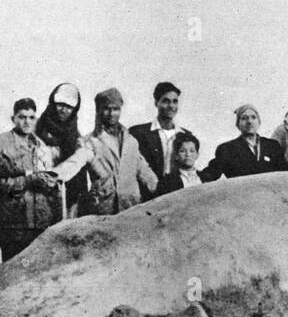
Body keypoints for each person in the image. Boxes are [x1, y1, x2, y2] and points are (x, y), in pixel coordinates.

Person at [0, 98, 61, 260]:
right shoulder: (0, 144)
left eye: (31, 117)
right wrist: (27, 181)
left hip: (41, 224)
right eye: (22, 117)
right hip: (14, 225)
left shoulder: (41, 145)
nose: (26, 122)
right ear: (13, 118)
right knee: (14, 272)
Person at [79, 87, 158, 215]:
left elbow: (143, 170)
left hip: (131, 206)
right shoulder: (88, 141)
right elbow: (76, 168)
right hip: (104, 208)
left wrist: (160, 188)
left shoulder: (131, 140)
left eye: (115, 109)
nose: (111, 113)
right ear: (99, 110)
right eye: (106, 108)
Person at [128, 82, 191, 197]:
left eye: (175, 101)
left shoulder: (186, 135)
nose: (171, 106)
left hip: (178, 195)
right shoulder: (138, 133)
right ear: (156, 103)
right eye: (166, 101)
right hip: (147, 197)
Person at [201, 104, 288, 180]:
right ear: (238, 124)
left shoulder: (272, 146)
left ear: (259, 122)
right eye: (244, 118)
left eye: (253, 117)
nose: (249, 121)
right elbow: (210, 174)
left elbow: (287, 174)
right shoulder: (227, 149)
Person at [34, 82, 86, 216]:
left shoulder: (76, 138)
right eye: (60, 104)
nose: (63, 110)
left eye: (69, 107)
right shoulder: (36, 129)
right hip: (37, 196)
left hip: (65, 199)